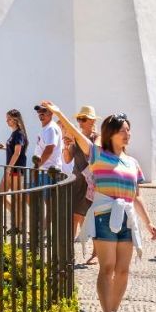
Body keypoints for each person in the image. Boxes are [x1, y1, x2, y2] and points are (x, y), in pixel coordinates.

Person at [42, 102, 156, 312]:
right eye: (123, 130)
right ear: (111, 134)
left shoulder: (132, 162)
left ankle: (114, 311)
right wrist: (58, 114)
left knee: (123, 270)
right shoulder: (97, 155)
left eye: (129, 130)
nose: (128, 134)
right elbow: (76, 134)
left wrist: (148, 222)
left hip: (126, 218)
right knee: (107, 268)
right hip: (104, 215)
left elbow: (137, 196)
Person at [64, 106, 101, 266]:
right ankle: (68, 254)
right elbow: (67, 159)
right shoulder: (75, 138)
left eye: (83, 119)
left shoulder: (97, 138)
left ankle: (96, 253)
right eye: (78, 119)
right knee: (74, 217)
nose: (79, 122)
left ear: (92, 121)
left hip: (91, 183)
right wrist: (66, 145)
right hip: (77, 180)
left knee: (92, 218)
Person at [30, 104, 64, 174]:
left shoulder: (51, 128)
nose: (40, 113)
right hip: (45, 170)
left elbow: (49, 149)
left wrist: (36, 167)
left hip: (50, 172)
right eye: (38, 111)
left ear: (51, 113)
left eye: (44, 111)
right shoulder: (47, 128)